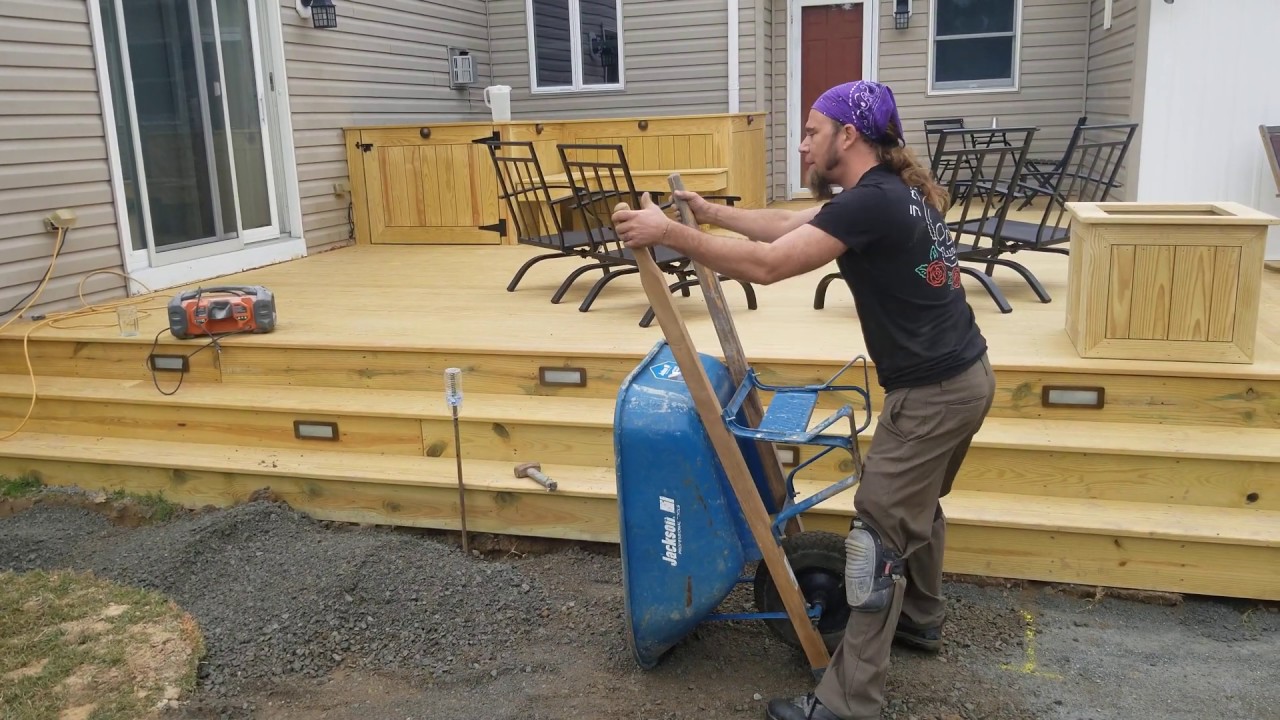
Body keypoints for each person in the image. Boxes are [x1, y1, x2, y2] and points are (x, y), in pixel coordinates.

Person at [610, 80, 996, 720]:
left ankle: (848, 703)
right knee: (916, 505)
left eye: (814, 130)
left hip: (934, 395)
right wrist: (710, 213)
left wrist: (670, 234)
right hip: (965, 379)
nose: (805, 141)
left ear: (849, 135)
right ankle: (920, 618)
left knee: (876, 542)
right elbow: (789, 225)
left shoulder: (872, 202)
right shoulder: (887, 194)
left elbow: (768, 265)